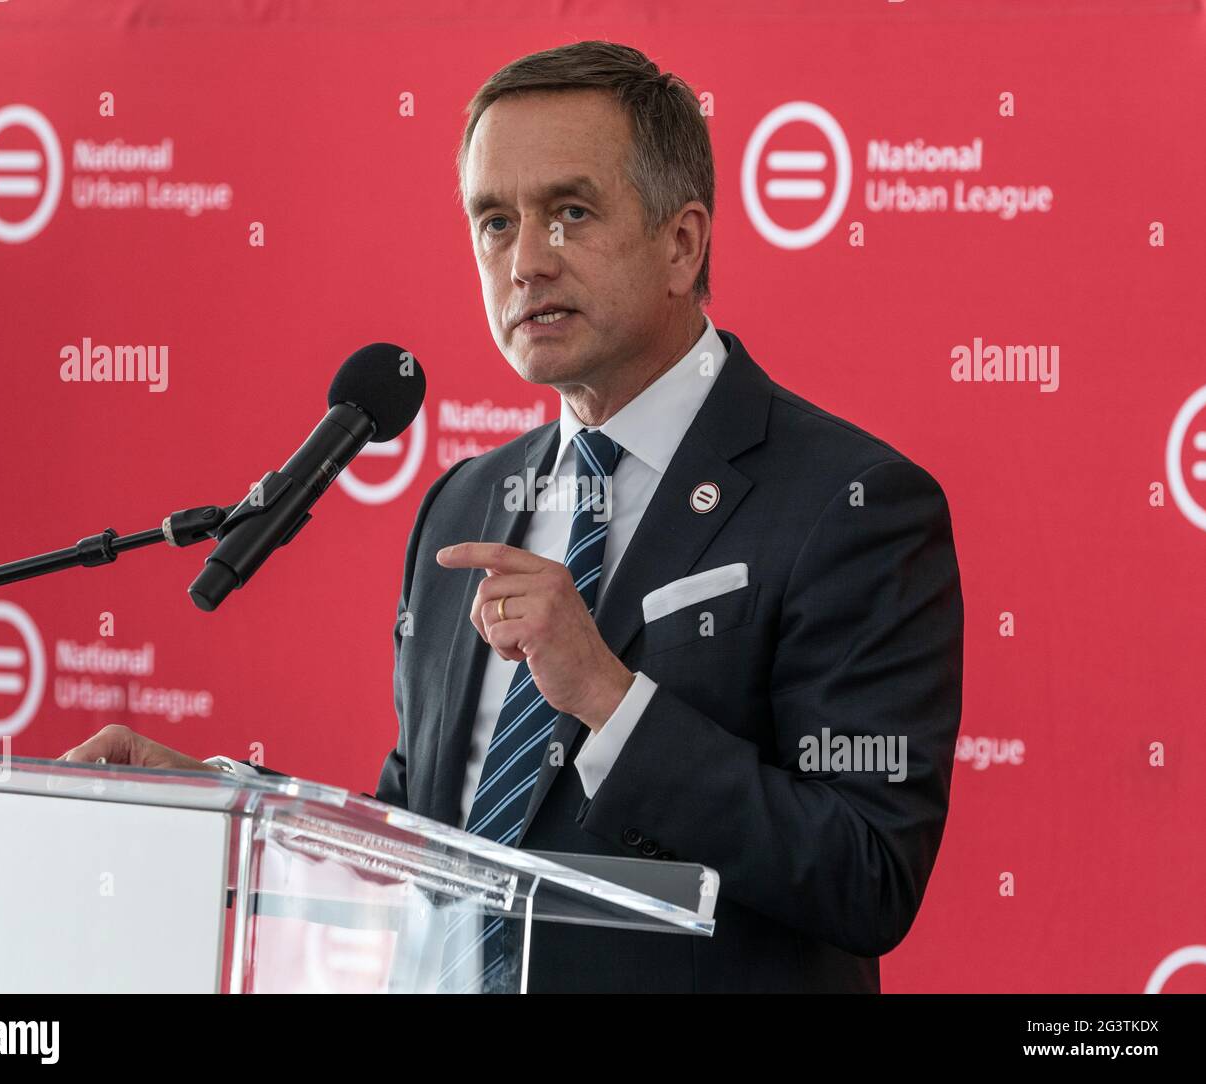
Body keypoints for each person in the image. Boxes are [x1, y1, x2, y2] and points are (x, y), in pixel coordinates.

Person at [61, 40, 964, 993]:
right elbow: (421, 837)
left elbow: (868, 874)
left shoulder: (850, 503)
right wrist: (233, 814)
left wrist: (611, 703)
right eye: (495, 222)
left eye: (570, 212)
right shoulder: (466, 499)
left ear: (682, 242)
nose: (526, 261)